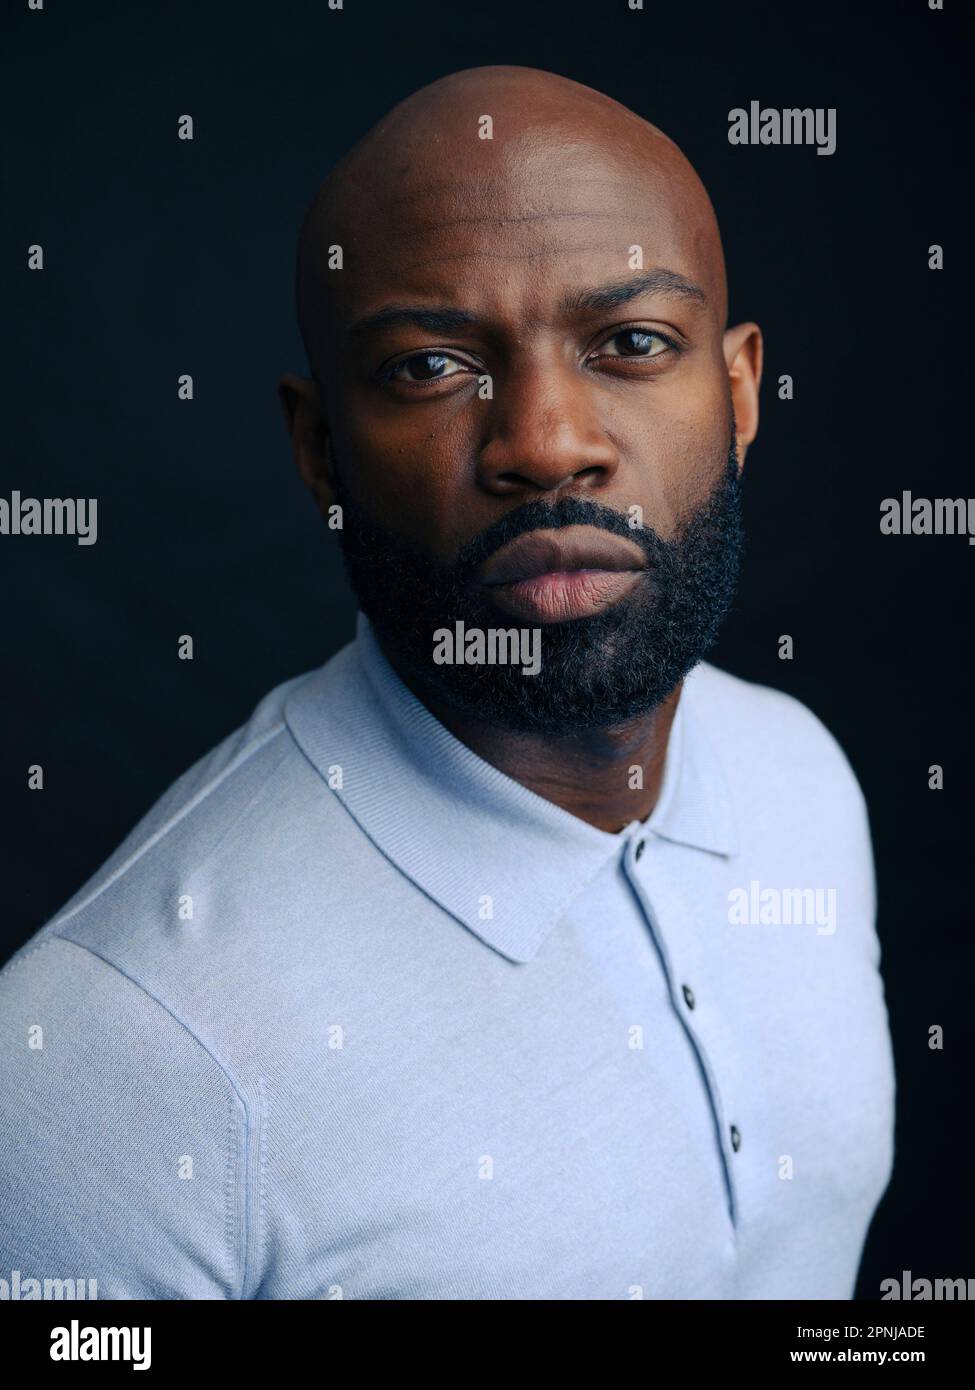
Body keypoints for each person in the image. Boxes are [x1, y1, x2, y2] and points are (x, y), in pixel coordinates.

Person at [0, 65, 894, 1300]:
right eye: (430, 367)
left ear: (739, 393)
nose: (544, 441)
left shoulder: (803, 778)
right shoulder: (107, 1061)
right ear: (319, 449)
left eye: (631, 342)